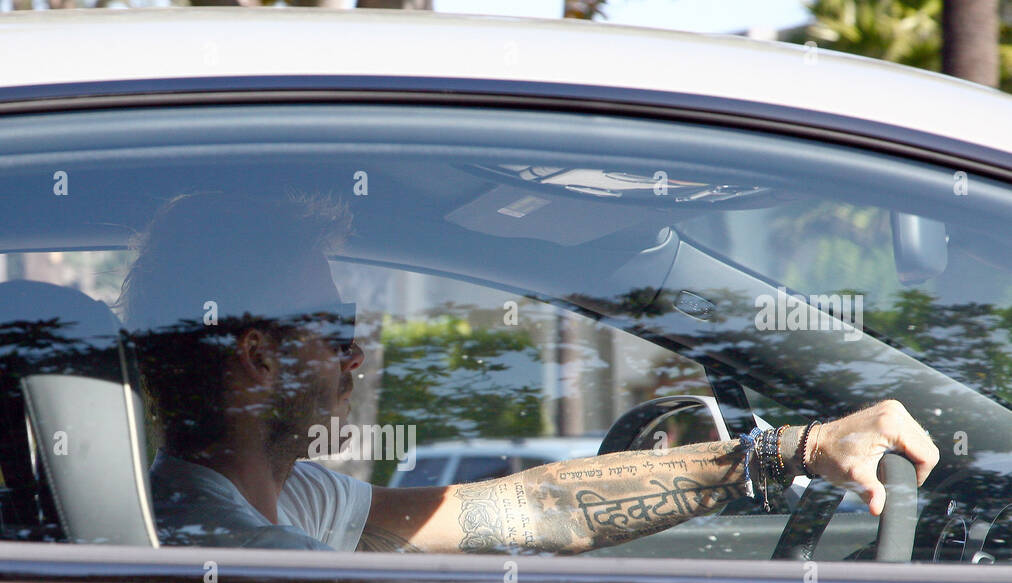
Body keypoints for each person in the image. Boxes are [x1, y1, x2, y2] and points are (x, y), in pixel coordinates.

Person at [119, 191, 939, 555]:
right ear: (257, 357)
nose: (356, 352)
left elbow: (531, 507)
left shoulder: (286, 501)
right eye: (334, 329)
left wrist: (780, 451)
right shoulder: (239, 549)